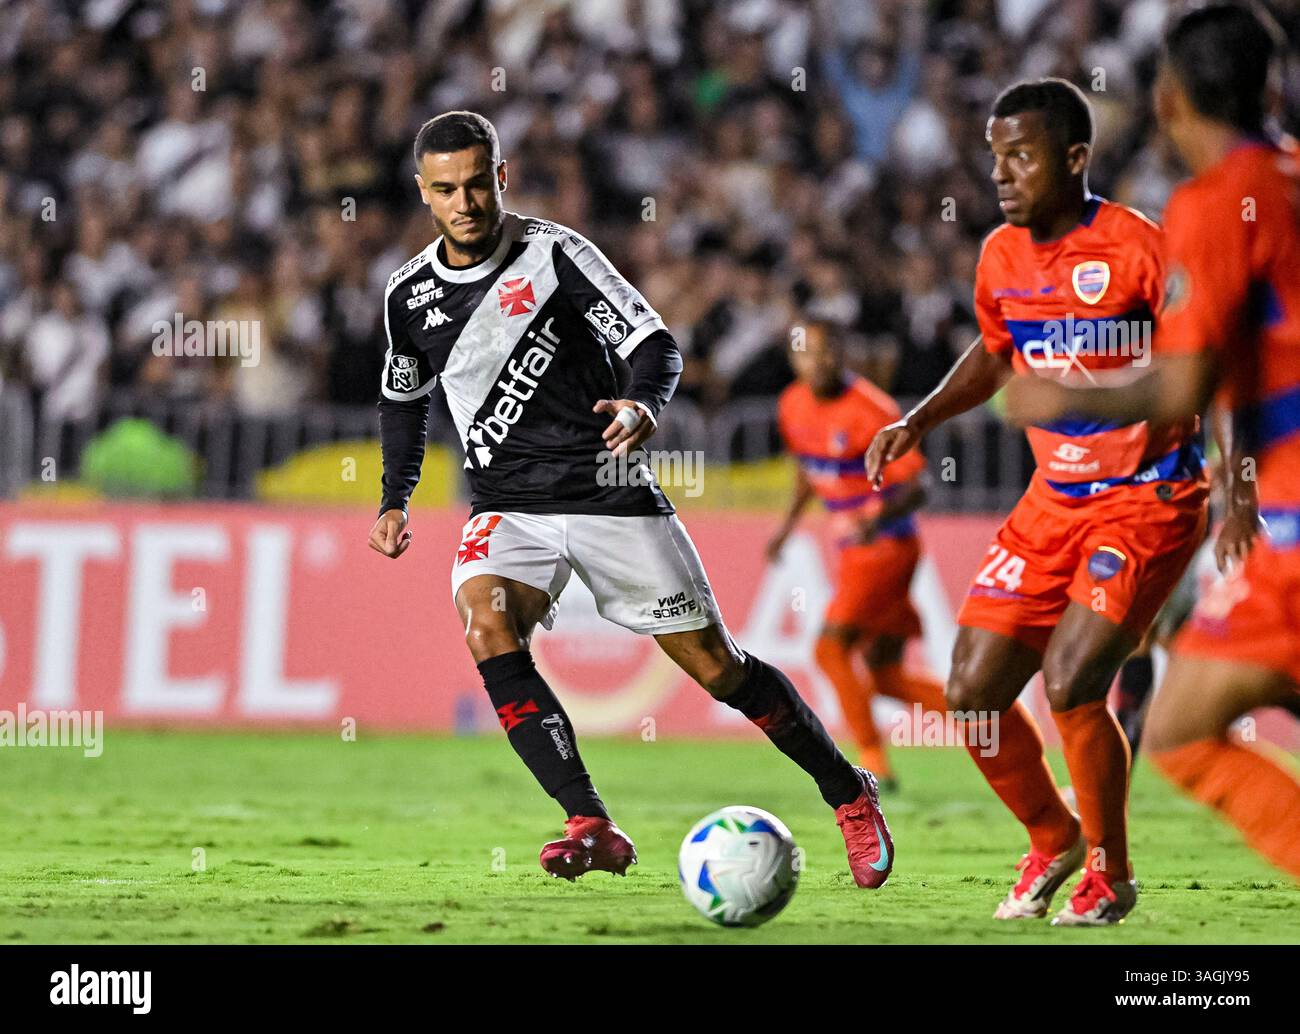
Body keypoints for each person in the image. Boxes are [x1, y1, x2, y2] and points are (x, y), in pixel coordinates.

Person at [368, 111, 894, 887]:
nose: (466, 202)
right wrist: (393, 496)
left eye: (478, 183)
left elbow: (654, 345)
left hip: (607, 492)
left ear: (501, 177)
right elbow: (403, 399)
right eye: (447, 189)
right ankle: (589, 821)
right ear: (424, 193)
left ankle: (847, 791)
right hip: (506, 505)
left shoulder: (557, 255)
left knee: (720, 670)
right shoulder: (408, 295)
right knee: (486, 622)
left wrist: (644, 405)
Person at [867, 78, 1218, 925]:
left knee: (1070, 682)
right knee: (972, 692)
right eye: (995, 157)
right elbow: (994, 356)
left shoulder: (1141, 251)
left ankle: (1110, 870)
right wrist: (918, 419)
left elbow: (1202, 369)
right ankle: (1051, 837)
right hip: (1052, 500)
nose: (1002, 173)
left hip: (1147, 497)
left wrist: (1239, 491)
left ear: (1074, 159)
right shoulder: (999, 256)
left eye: (1020, 155)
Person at [1004, 3, 1300, 882]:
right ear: (1272, 87)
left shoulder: (1214, 204)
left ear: (1168, 99)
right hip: (1269, 491)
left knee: (1180, 730)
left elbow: (1182, 383)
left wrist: (1063, 389)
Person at [769, 319, 947, 788]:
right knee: (885, 674)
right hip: (856, 549)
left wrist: (876, 517)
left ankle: (871, 762)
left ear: (843, 352)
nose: (819, 361)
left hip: (885, 546)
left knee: (830, 649)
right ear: (793, 359)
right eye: (807, 352)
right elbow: (808, 471)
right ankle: (982, 712)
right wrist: (786, 528)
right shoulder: (792, 405)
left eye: (827, 351)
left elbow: (919, 484)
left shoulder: (873, 409)